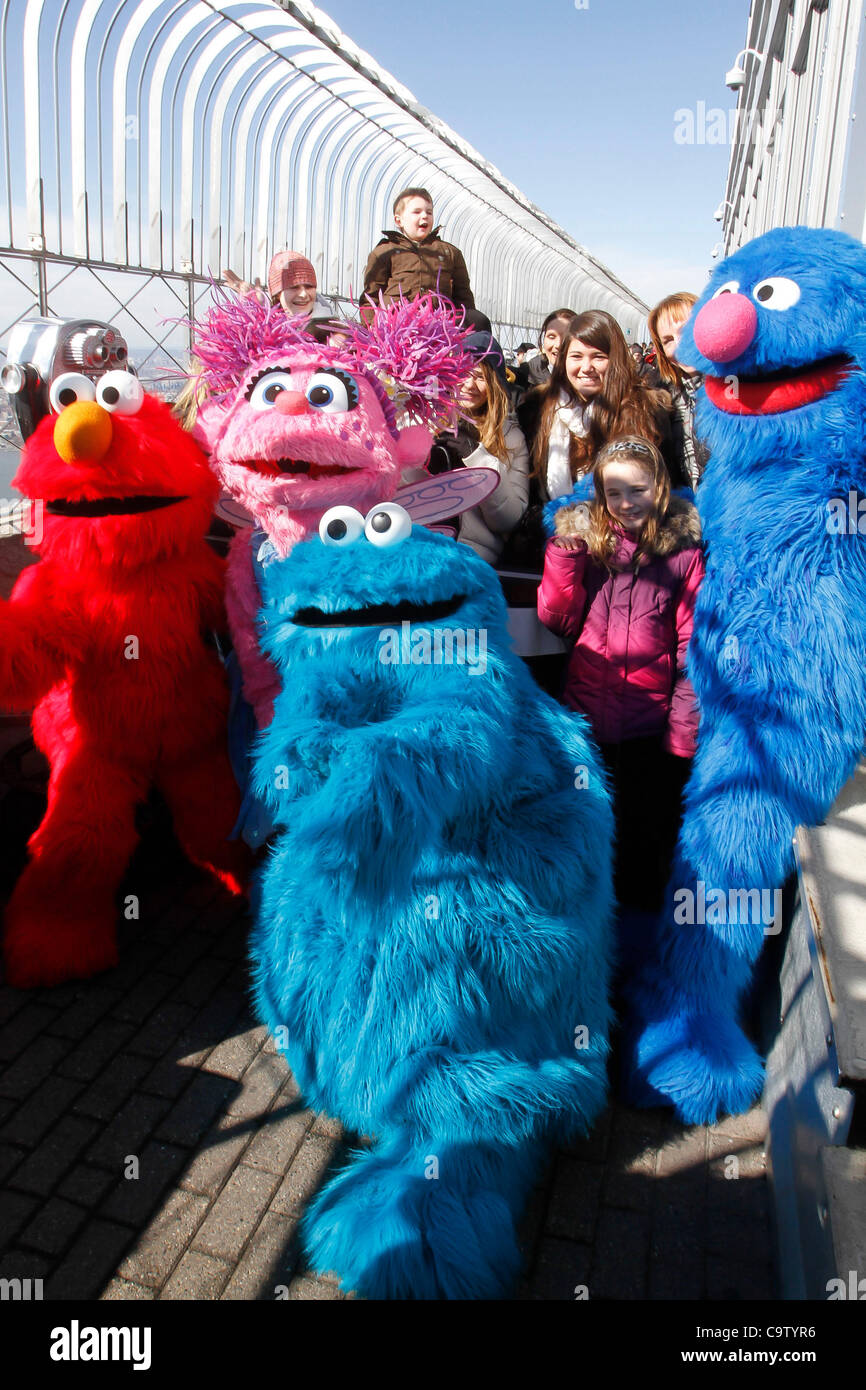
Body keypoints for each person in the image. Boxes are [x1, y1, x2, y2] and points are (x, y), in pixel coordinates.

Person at [537, 434, 703, 933]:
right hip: (588, 720)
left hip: (649, 728)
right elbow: (558, 620)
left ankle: (641, 937)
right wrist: (565, 563)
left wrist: (681, 730)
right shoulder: (586, 550)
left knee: (645, 833)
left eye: (638, 489)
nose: (627, 502)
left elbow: (692, 648)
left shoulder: (683, 556)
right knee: (591, 827)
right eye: (615, 493)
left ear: (661, 489)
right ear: (600, 497)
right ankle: (593, 928)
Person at [428, 332, 529, 566]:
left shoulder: (510, 437)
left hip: (473, 558)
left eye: (481, 377)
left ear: (495, 383)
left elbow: (509, 519)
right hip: (421, 547)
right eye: (463, 372)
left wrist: (477, 457)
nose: (469, 384)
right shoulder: (426, 421)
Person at [362, 187, 475, 314]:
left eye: (429, 212)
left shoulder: (450, 253)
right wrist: (372, 327)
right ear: (399, 220)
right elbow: (370, 297)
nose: (424, 216)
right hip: (395, 327)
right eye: (417, 212)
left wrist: (464, 326)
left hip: (439, 326)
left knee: (480, 320)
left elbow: (464, 296)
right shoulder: (384, 252)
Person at [648, 291, 709, 489]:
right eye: (667, 340)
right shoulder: (662, 398)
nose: (679, 346)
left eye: (685, 332)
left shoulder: (743, 386)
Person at [525, 308, 577, 390]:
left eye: (566, 338)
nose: (558, 344)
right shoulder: (529, 371)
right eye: (551, 337)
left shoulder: (586, 378)